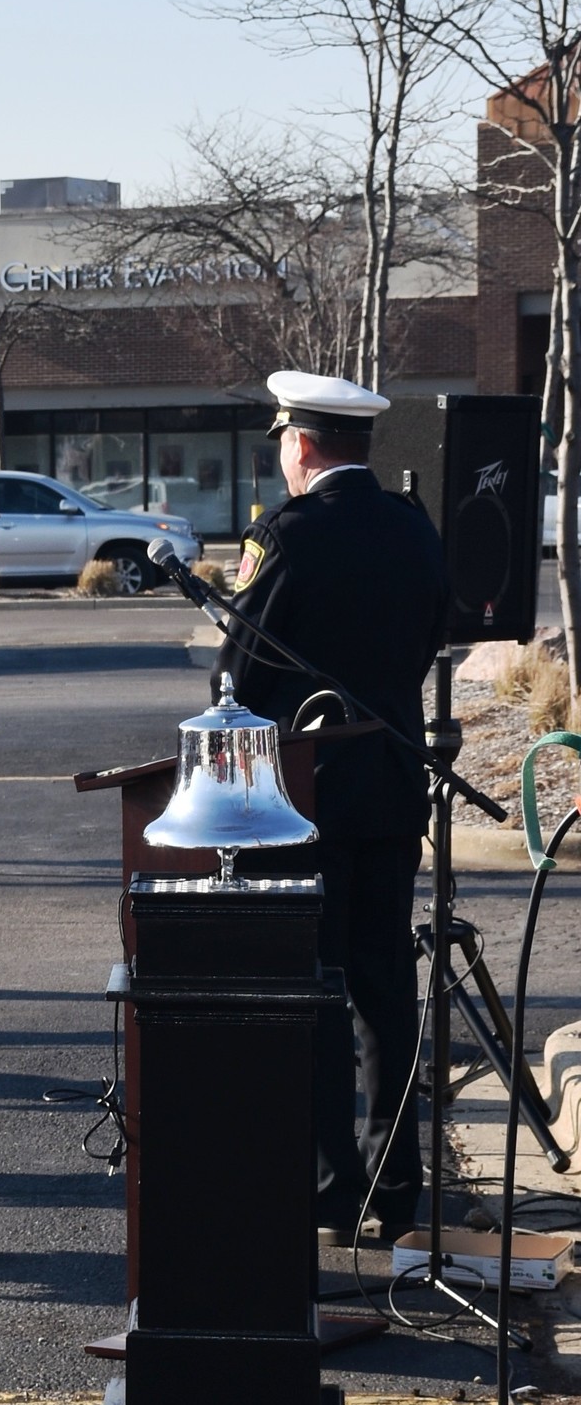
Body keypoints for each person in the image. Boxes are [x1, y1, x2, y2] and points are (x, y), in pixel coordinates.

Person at [215, 370, 448, 1246]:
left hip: (302, 797)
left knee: (313, 990)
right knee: (386, 988)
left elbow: (239, 678)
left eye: (281, 440)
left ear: (301, 445)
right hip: (389, 784)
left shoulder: (291, 533)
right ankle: (396, 1192)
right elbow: (428, 640)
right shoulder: (413, 527)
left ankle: (331, 1184)